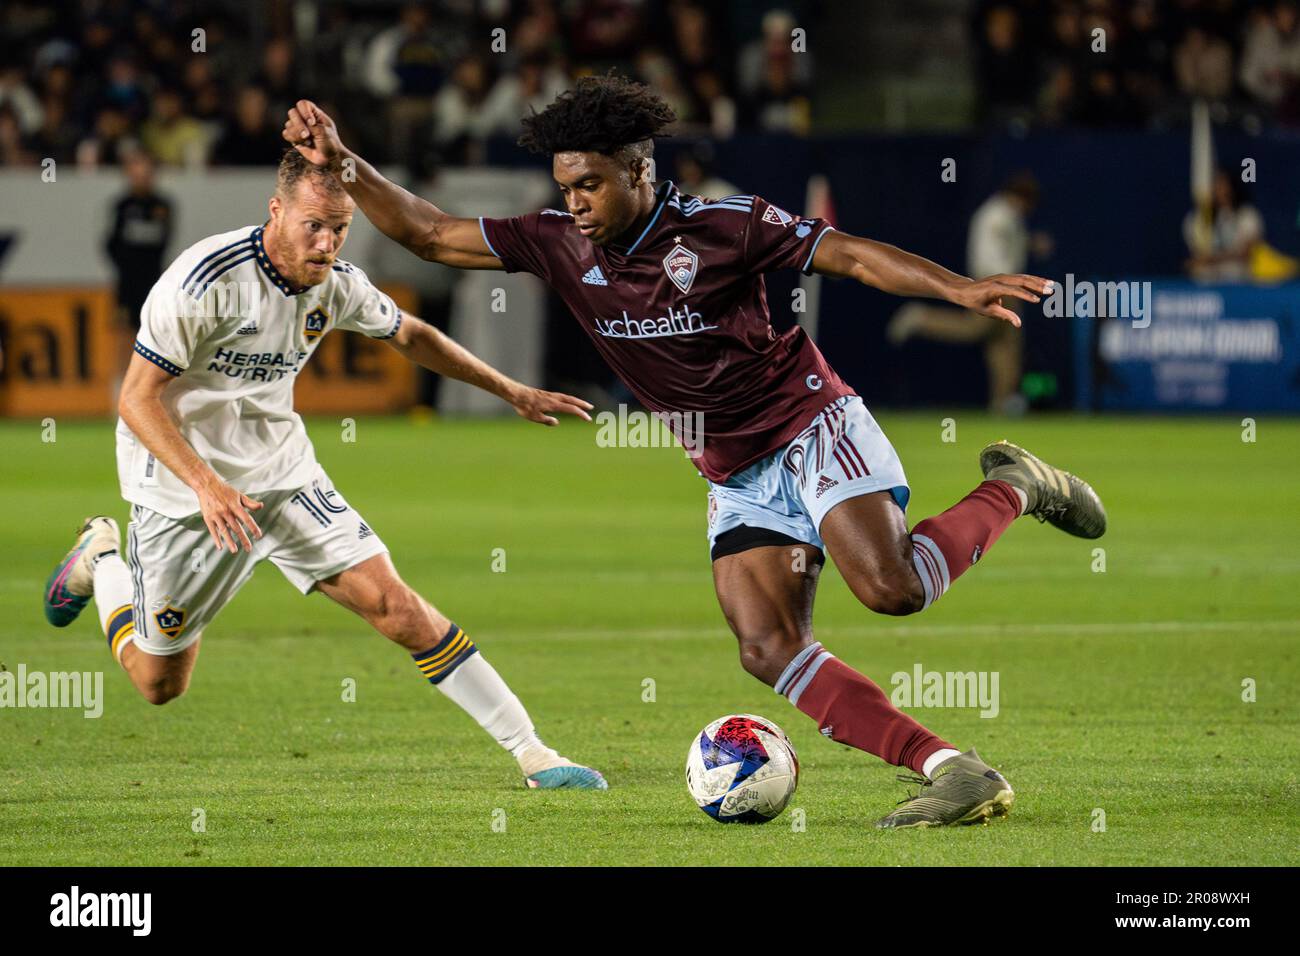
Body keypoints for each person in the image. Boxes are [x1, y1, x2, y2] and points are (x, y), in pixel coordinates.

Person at [282, 76, 1108, 828]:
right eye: (565, 186)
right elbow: (429, 234)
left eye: (591, 185)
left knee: (892, 590)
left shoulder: (723, 225)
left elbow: (849, 254)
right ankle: (950, 768)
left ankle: (1015, 486)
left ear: (641, 171)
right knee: (766, 649)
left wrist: (957, 287)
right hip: (731, 470)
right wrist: (345, 163)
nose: (573, 203)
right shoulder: (556, 241)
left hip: (808, 428)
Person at [44, 149, 606, 791]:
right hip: (183, 490)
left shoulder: (337, 282)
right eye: (314, 224)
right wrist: (207, 486)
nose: (328, 241)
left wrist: (512, 390)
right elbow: (135, 399)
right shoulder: (207, 281)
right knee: (158, 683)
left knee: (399, 608)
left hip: (285, 479)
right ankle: (101, 558)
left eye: (340, 227)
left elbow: (411, 334)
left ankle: (535, 755)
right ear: (276, 211)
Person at [887, 172, 1048, 415]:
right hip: (998, 283)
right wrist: (1001, 288)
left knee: (1004, 345)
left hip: (1001, 283)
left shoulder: (1006, 216)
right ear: (1020, 197)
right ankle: (921, 318)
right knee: (976, 330)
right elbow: (991, 257)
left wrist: (1029, 243)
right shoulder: (997, 215)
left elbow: (1008, 245)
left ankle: (1002, 404)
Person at [105, 150, 173, 382]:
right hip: (127, 283)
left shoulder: (163, 206)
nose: (142, 175)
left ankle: (149, 391)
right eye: (137, 170)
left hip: (153, 282)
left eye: (146, 170)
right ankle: (118, 396)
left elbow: (164, 243)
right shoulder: (122, 206)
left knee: (154, 336)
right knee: (123, 338)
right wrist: (125, 268)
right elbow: (110, 243)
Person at [1183, 169, 1265, 283]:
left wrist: (1212, 259)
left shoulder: (1247, 215)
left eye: (1224, 186)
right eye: (1216, 186)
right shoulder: (1198, 218)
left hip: (1239, 281)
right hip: (1205, 283)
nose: (1220, 191)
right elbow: (1196, 256)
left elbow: (1246, 253)